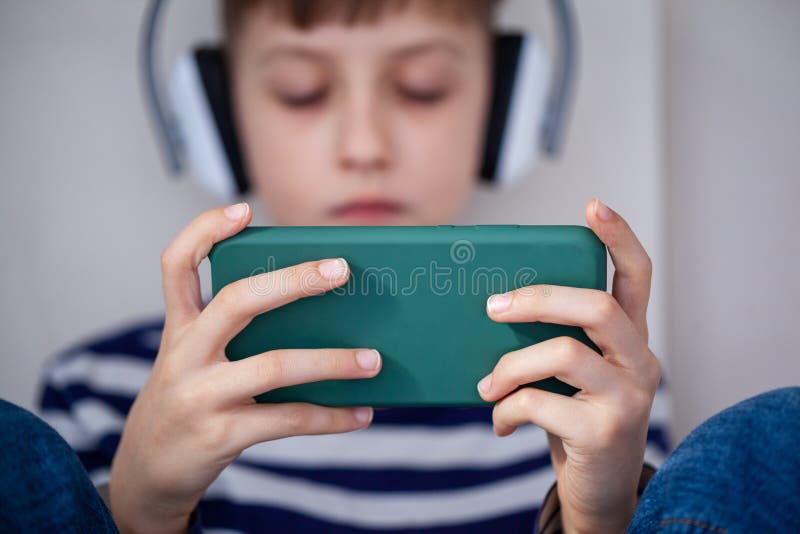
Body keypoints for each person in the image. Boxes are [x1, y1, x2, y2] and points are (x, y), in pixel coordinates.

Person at [32, 0, 678, 532]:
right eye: (301, 92)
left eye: (423, 89)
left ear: (503, 109)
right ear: (219, 121)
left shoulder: (592, 382)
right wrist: (143, 510)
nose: (364, 146)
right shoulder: (99, 392)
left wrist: (600, 514)